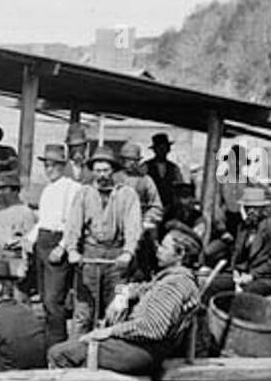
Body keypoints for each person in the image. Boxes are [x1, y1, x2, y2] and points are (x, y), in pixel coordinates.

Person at [48, 223, 204, 381]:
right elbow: (142, 288)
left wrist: (108, 332)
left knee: (61, 354)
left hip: (141, 351)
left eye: (164, 247)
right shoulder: (170, 279)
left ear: (180, 254)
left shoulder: (175, 285)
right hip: (137, 347)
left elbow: (152, 328)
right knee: (73, 350)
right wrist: (123, 294)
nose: (158, 249)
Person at [66, 146, 142, 334]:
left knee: (117, 308)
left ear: (113, 170)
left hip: (117, 258)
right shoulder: (83, 193)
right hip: (90, 256)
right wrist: (72, 250)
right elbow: (73, 225)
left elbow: (133, 226)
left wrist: (128, 252)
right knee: (84, 312)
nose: (102, 175)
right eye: (98, 170)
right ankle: (77, 354)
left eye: (106, 170)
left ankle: (113, 353)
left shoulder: (127, 194)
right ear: (92, 171)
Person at [26, 144, 82, 348]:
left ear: (63, 165)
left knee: (53, 299)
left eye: (54, 165)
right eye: (46, 165)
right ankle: (49, 342)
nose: (49, 169)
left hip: (56, 243)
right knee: (43, 298)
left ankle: (58, 345)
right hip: (42, 242)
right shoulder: (47, 189)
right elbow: (42, 220)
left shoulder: (72, 188)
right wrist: (29, 239)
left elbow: (73, 222)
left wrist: (62, 246)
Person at [217, 185, 271, 297]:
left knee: (246, 294)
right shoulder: (244, 227)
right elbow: (237, 253)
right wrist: (235, 270)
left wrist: (252, 275)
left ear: (263, 209)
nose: (251, 211)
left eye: (255, 208)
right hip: (244, 274)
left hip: (267, 278)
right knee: (216, 284)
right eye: (248, 207)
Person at [117, 141, 164, 280]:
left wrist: (146, 220)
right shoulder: (115, 178)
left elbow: (156, 206)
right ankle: (119, 297)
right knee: (120, 272)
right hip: (118, 230)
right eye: (127, 160)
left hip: (141, 231)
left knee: (142, 269)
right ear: (122, 160)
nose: (131, 164)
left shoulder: (146, 181)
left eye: (134, 160)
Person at [0, 170, 37, 279]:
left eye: (4, 189)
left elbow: (30, 243)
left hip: (15, 261)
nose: (0, 193)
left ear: (15, 191)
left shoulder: (25, 212)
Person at [144, 132, 183, 222]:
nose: (162, 151)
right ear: (155, 150)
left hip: (170, 208)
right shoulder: (146, 166)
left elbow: (179, 189)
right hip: (150, 208)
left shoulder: (174, 168)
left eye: (164, 148)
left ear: (168, 150)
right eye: (159, 148)